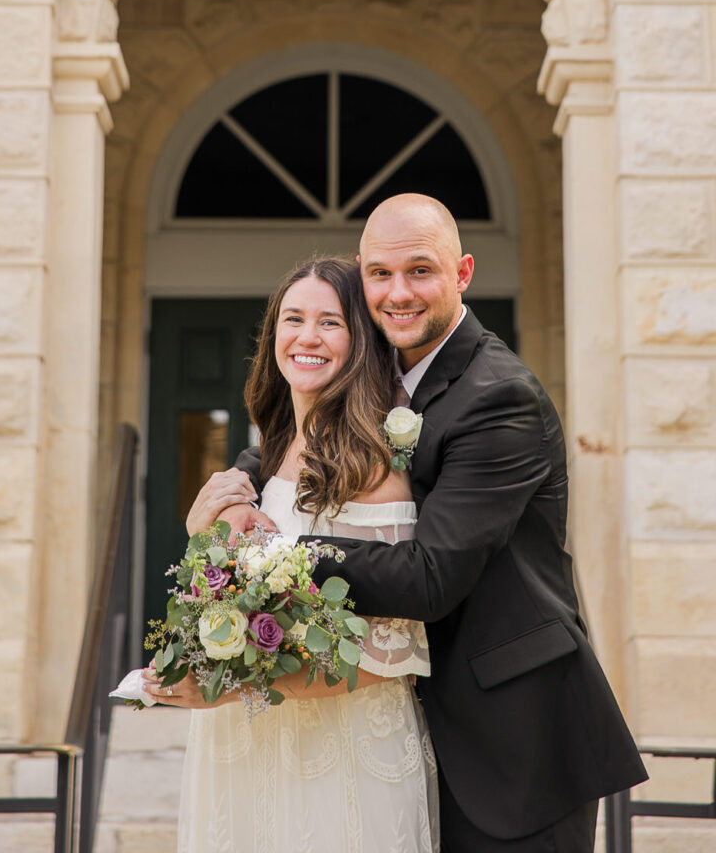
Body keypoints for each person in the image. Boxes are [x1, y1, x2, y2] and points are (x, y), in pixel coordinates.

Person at [191, 194, 646, 851]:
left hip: (510, 738)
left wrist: (277, 554)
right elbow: (296, 431)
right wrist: (240, 494)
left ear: (461, 273)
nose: (398, 293)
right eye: (380, 274)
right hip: (398, 720)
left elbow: (432, 577)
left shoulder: (499, 397)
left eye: (420, 271)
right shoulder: (371, 353)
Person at [144, 256, 439, 852]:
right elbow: (230, 592)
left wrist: (228, 686)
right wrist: (205, 535)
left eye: (329, 323)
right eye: (293, 318)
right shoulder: (268, 452)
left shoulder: (374, 461)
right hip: (242, 747)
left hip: (338, 752)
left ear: (359, 341)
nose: (307, 337)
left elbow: (386, 650)